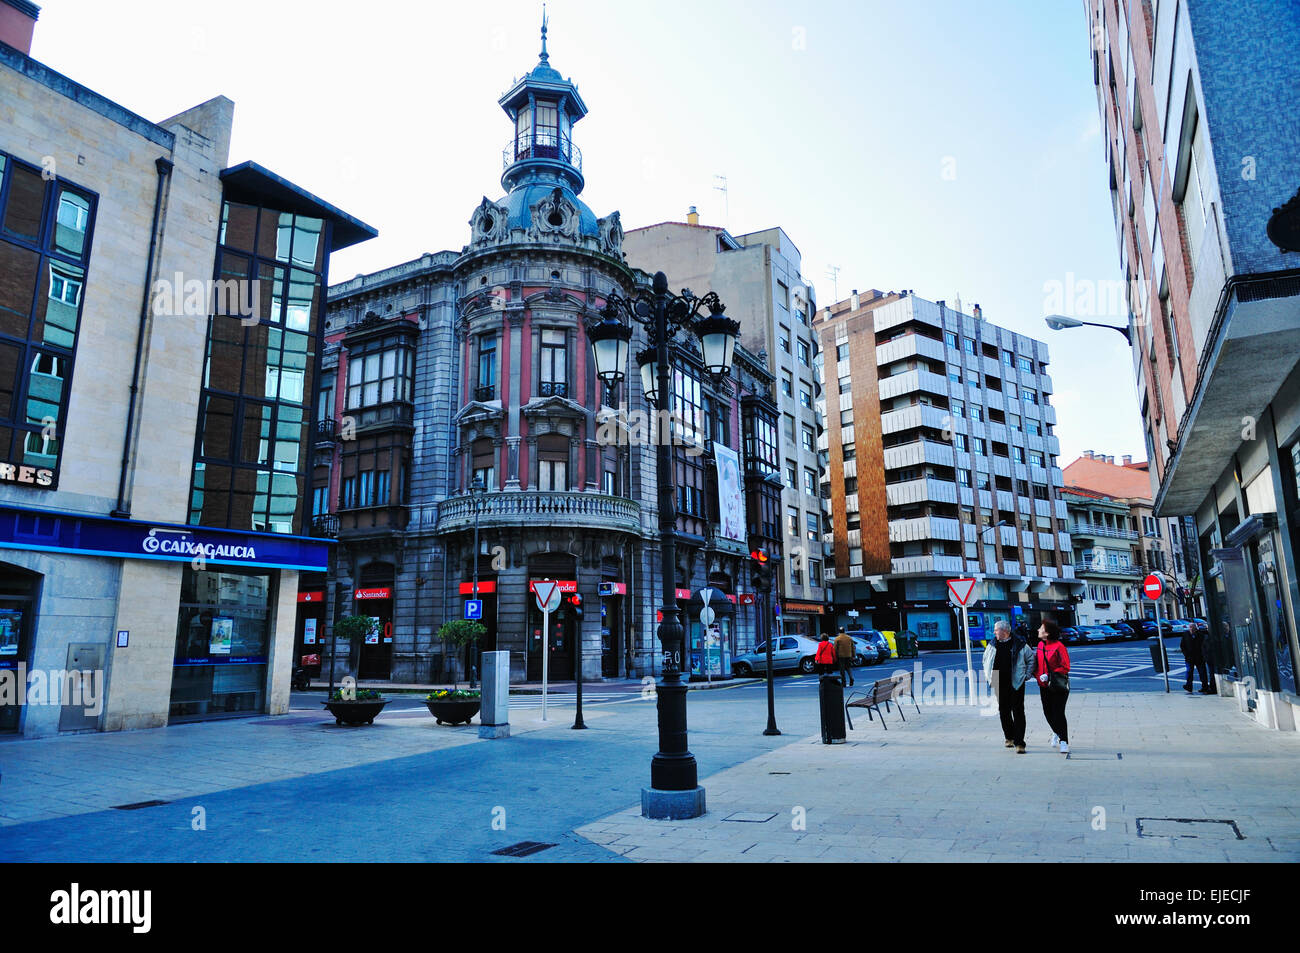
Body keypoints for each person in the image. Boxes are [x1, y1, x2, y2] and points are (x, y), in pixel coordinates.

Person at [981, 620, 1035, 753]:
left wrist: (1026, 676)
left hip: (1016, 682)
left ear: (1004, 631)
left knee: (1018, 711)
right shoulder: (992, 644)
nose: (993, 632)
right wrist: (989, 677)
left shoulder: (1020, 645)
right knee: (1004, 711)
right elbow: (985, 660)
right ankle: (1009, 737)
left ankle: (1020, 743)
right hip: (998, 682)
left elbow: (1031, 660)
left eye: (995, 630)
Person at [1034, 618, 1072, 754]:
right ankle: (1057, 732)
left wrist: (1049, 675)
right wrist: (1035, 675)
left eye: (1041, 628)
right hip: (1043, 685)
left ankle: (1064, 741)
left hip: (1058, 685)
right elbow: (1037, 664)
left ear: (1047, 633)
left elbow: (1066, 666)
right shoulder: (1040, 645)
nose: (1038, 630)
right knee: (1047, 713)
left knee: (1058, 713)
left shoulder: (1059, 646)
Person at [1181, 625, 1213, 694]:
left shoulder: (1200, 635)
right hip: (1189, 657)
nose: (1191, 630)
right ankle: (1189, 686)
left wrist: (1203, 655)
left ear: (1195, 629)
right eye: (1190, 628)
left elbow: (1204, 645)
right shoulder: (1186, 634)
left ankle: (1205, 687)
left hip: (1199, 657)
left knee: (1202, 673)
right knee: (1189, 672)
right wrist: (1186, 654)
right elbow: (1182, 645)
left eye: (1193, 628)